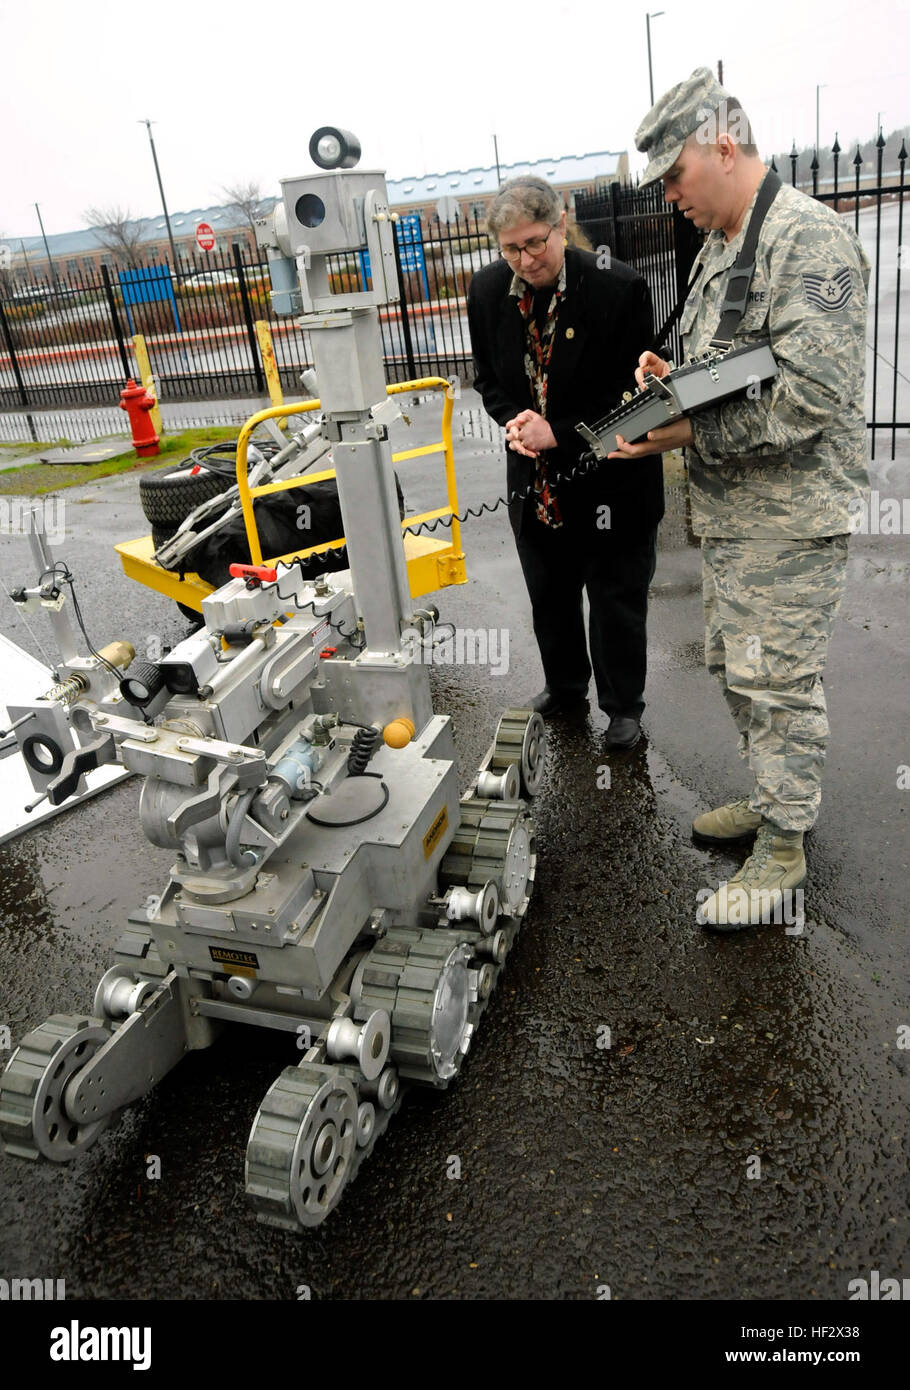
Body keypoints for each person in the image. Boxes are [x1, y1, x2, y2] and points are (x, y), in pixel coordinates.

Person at [612, 68, 869, 928]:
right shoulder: (725, 243)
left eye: (674, 177)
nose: (668, 199)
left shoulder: (808, 241)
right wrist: (669, 383)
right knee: (738, 670)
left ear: (723, 144)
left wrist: (684, 434)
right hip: (732, 518)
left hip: (788, 521)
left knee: (780, 682)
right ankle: (769, 798)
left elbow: (809, 395)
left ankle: (786, 844)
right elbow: (726, 366)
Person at [467, 175, 664, 749]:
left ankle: (623, 707)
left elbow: (634, 398)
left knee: (614, 600)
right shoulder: (485, 292)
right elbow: (488, 379)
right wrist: (515, 422)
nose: (524, 259)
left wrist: (560, 433)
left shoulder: (618, 288)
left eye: (535, 243)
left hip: (611, 479)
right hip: (536, 480)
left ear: (561, 223)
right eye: (510, 249)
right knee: (549, 593)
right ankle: (565, 686)